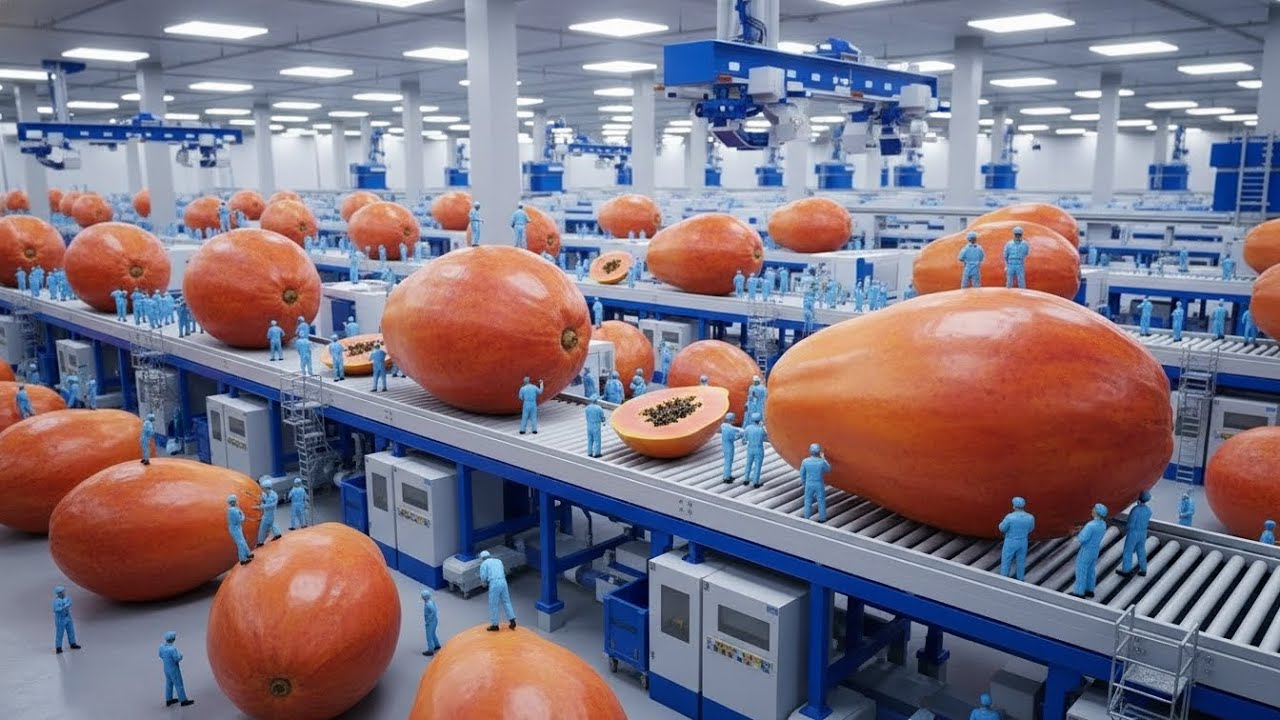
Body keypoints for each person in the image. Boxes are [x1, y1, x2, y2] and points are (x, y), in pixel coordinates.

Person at [1070, 503, 1108, 599]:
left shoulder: (1090, 525)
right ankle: (1090, 590)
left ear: (1096, 513)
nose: (1092, 510)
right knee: (1091, 570)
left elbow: (1083, 538)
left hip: (1086, 550)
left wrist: (1076, 537)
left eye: (1094, 509)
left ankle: (1079, 592)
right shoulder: (1103, 524)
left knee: (1081, 569)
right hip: (1095, 549)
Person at [1117, 491, 1153, 578]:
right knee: (1141, 550)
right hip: (1143, 533)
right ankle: (1143, 569)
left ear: (1139, 499)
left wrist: (1125, 527)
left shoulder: (1135, 510)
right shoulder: (1148, 510)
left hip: (1133, 533)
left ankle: (1126, 570)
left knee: (1128, 551)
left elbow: (1130, 524)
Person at [998, 497, 1035, 581]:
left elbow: (1002, 528)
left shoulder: (1010, 517)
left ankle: (1003, 578)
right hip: (1023, 541)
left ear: (1014, 506)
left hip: (1010, 541)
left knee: (1006, 559)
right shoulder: (1030, 517)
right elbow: (1031, 528)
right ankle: (1020, 578)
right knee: (1021, 560)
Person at [479, 550, 516, 631]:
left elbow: (483, 577)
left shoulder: (484, 563)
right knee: (506, 601)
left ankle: (495, 625)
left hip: (494, 583)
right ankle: (512, 621)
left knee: (493, 604)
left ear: (482, 558)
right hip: (503, 581)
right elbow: (504, 571)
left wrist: (483, 582)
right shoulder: (498, 561)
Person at [158, 632, 194, 707]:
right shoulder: (172, 649)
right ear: (173, 639)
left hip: (166, 668)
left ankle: (169, 699)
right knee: (179, 684)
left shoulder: (161, 647)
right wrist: (181, 655)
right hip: (173, 669)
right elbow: (176, 659)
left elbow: (160, 656)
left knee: (169, 684)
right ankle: (183, 700)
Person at [799, 443, 832, 522]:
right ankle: (822, 518)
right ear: (819, 452)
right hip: (819, 483)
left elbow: (802, 474)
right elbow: (828, 469)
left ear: (810, 451)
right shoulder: (821, 462)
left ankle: (807, 517)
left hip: (809, 483)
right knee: (821, 501)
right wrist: (824, 459)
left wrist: (804, 482)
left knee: (808, 500)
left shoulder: (805, 461)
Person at [52, 586, 81, 654]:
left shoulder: (66, 598)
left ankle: (72, 643)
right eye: (62, 592)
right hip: (60, 619)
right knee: (60, 633)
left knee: (71, 631)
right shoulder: (56, 601)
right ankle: (58, 647)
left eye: (63, 591)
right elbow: (56, 609)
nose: (63, 593)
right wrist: (63, 607)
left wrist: (65, 605)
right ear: (58, 593)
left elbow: (70, 602)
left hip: (68, 617)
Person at [227, 495, 253, 565]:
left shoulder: (234, 509)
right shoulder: (233, 510)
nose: (234, 502)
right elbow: (240, 519)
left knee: (242, 541)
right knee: (240, 543)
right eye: (233, 501)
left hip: (237, 528)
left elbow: (241, 515)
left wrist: (241, 513)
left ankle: (248, 554)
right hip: (235, 529)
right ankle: (243, 559)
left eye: (234, 501)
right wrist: (243, 516)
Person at [742, 414, 767, 488]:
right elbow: (766, 435)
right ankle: (755, 482)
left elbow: (744, 439)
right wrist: (762, 426)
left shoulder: (748, 428)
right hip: (759, 448)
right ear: (760, 420)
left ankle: (746, 479)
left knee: (748, 463)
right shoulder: (761, 429)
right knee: (757, 465)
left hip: (750, 448)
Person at [256, 478, 281, 547]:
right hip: (266, 514)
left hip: (270, 514)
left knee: (263, 528)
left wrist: (262, 506)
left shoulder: (274, 495)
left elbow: (271, 505)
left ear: (267, 488)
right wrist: (260, 501)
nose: (262, 489)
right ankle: (277, 534)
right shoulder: (265, 494)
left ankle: (260, 542)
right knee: (272, 525)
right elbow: (263, 499)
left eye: (263, 488)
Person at [720, 412, 742, 483]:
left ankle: (728, 475)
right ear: (732, 420)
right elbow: (734, 438)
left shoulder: (723, 426)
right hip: (729, 446)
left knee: (727, 461)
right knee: (729, 461)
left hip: (724, 445)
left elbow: (732, 428)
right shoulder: (730, 429)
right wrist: (740, 435)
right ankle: (726, 477)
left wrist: (737, 429)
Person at [422, 589, 442, 656]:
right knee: (433, 633)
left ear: (424, 597)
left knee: (429, 636)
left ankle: (430, 650)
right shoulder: (431, 601)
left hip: (430, 622)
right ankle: (437, 645)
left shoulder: (428, 604)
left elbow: (433, 611)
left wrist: (428, 620)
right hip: (434, 620)